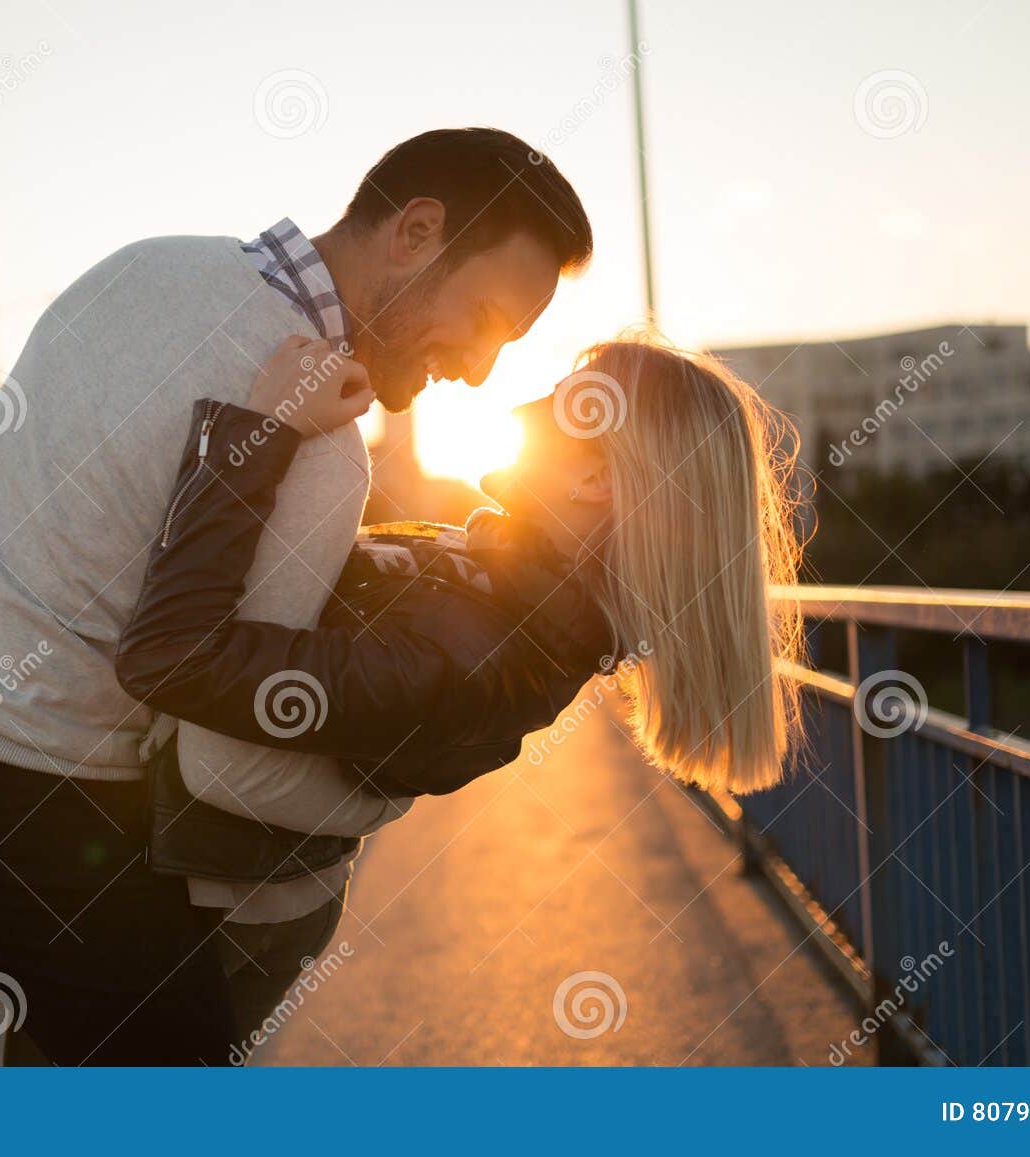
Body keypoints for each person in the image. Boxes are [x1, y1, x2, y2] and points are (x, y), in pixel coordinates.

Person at [0, 127, 594, 1065]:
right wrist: (396, 781)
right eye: (488, 321)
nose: (477, 368)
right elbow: (225, 760)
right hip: (28, 810)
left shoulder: (139, 265)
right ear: (417, 231)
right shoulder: (317, 446)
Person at [110, 330, 807, 1044]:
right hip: (188, 880)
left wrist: (259, 432)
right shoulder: (502, 584)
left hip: (191, 921)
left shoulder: (475, 653)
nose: (521, 408)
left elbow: (170, 656)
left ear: (595, 476)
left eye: (560, 401)